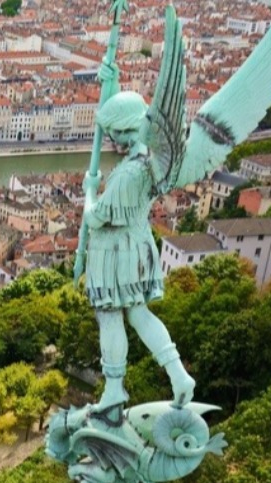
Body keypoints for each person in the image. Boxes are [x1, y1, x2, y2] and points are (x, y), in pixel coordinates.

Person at [79, 61, 194, 411]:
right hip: (137, 244)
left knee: (110, 315)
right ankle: (178, 374)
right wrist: (111, 82)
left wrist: (89, 190)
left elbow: (96, 217)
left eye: (113, 132)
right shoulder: (146, 159)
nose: (110, 138)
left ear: (125, 130)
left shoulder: (129, 174)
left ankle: (114, 389)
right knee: (139, 313)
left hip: (114, 251)